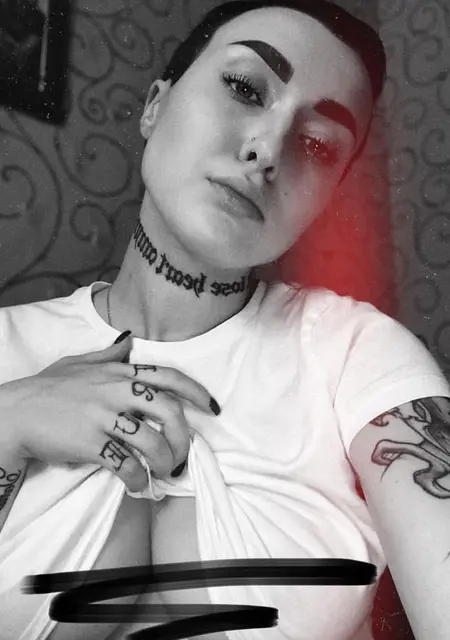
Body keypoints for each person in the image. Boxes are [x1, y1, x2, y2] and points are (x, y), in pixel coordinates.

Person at [0, 1, 449, 639]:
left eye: (318, 144)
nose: (268, 149)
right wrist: (9, 422)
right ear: (155, 107)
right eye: (244, 87)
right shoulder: (7, 346)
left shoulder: (357, 354)